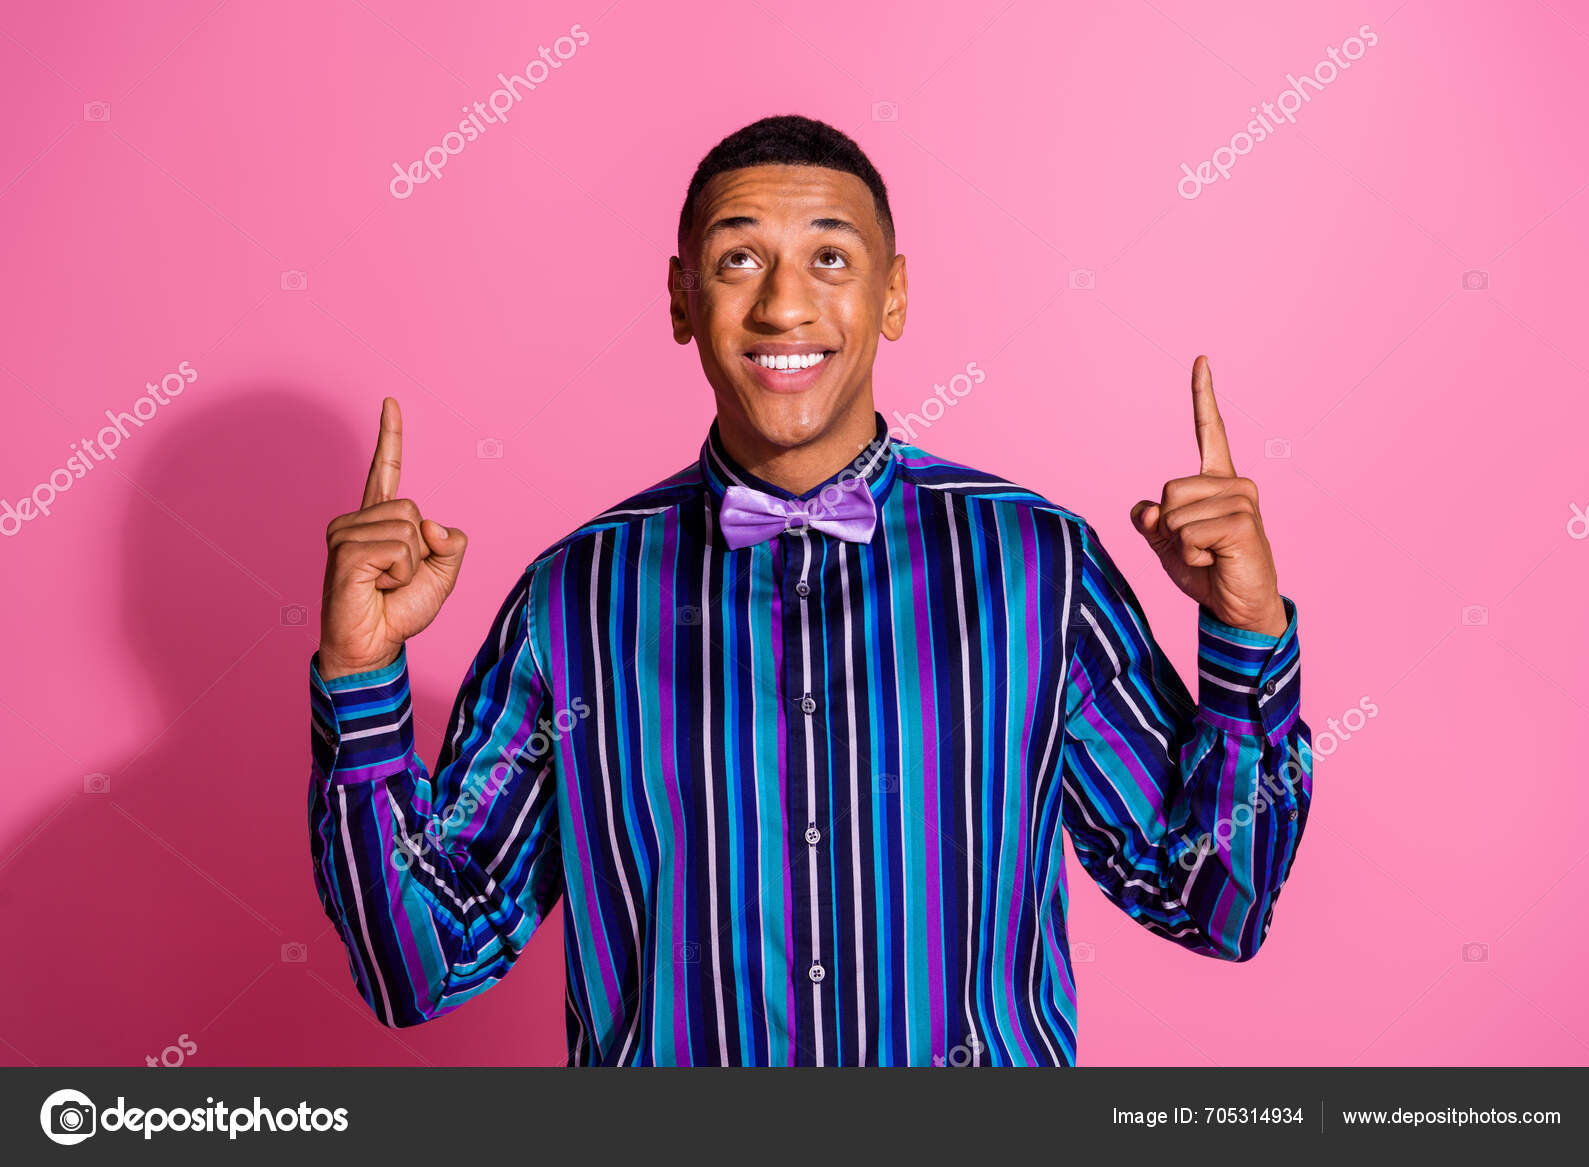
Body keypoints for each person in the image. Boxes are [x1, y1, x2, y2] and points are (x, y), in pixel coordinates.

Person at [306, 114, 1312, 1067]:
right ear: (679, 298)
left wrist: (1244, 632)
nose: (784, 305)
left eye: (830, 258)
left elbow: (1213, 903)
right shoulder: (574, 600)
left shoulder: (1036, 568)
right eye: (738, 258)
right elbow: (419, 967)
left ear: (894, 296)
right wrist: (361, 675)